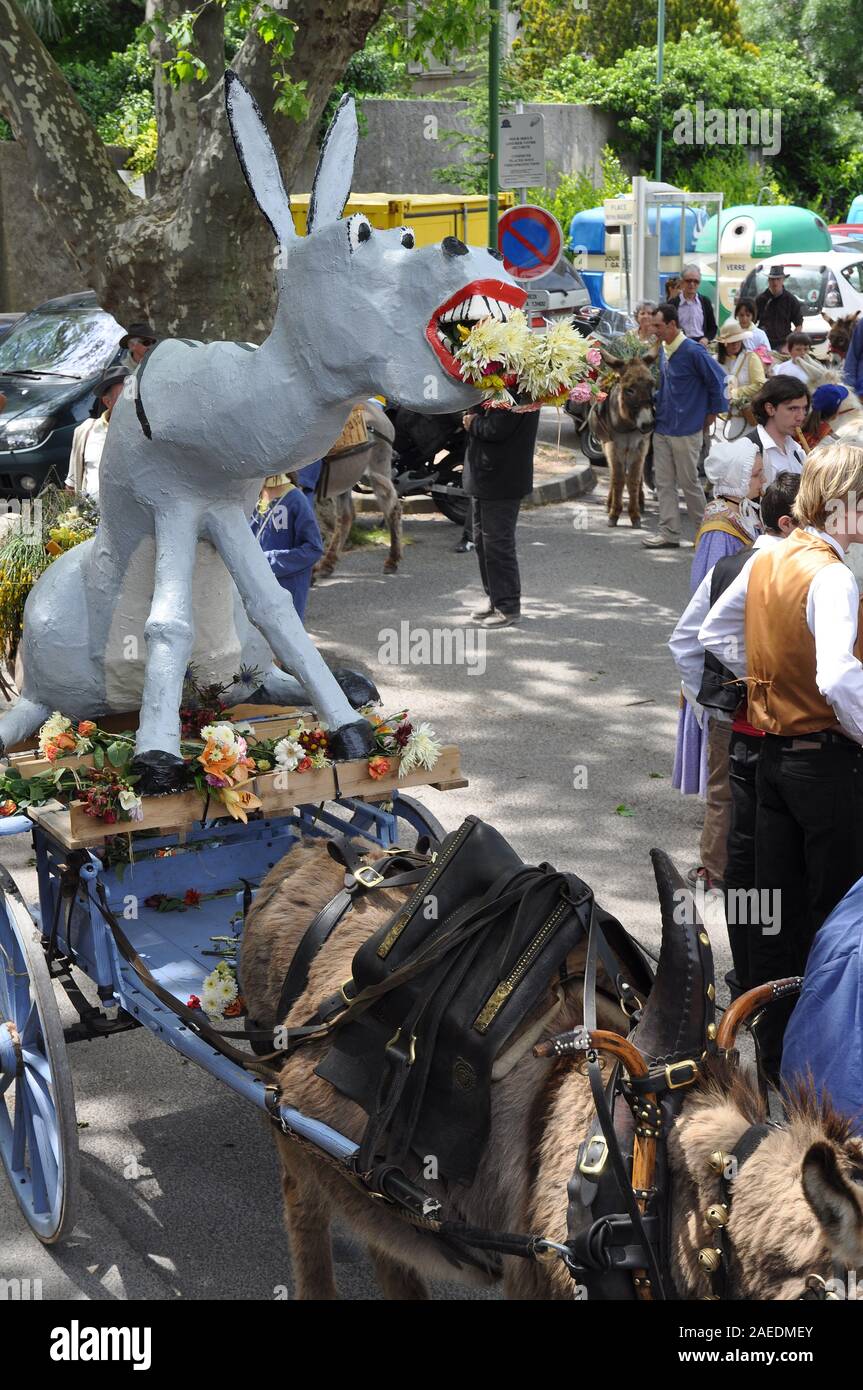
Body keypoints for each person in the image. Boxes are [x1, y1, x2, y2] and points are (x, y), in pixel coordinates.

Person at [699, 443, 863, 1081]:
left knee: (776, 916)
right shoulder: (832, 572)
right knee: (832, 918)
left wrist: (765, 682)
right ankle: (823, 1070)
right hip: (822, 763)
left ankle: (772, 1058)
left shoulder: (770, 555)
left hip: (770, 763)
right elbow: (840, 676)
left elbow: (714, 634)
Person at [670, 472, 800, 993]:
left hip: (742, 716)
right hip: (760, 721)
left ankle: (750, 959)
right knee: (740, 815)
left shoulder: (742, 564)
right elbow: (692, 638)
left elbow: (685, 640)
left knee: (742, 818)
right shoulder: (759, 567)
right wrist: (727, 696)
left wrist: (710, 702)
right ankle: (717, 878)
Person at [668, 438, 764, 889]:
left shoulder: (743, 513)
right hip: (720, 665)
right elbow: (707, 599)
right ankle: (715, 868)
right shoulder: (720, 528)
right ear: (737, 480)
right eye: (756, 475)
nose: (760, 482)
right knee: (723, 783)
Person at [642, 302, 727, 549]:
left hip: (687, 429)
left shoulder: (693, 351)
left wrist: (711, 415)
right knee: (664, 483)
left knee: (690, 484)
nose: (654, 329)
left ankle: (706, 535)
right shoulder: (664, 350)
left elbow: (719, 381)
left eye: (658, 325)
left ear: (672, 324)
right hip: (664, 427)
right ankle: (669, 533)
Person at [462, 404, 539, 627]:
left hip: (502, 478)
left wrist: (472, 422)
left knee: (497, 544)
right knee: (482, 542)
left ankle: (508, 606)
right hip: (485, 476)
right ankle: (495, 598)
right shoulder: (500, 383)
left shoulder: (518, 388)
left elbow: (497, 428)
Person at [249, 472, 323, 623]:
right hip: (255, 589)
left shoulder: (296, 499)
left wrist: (269, 561)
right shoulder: (252, 498)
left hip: (286, 591)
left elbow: (313, 548)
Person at [65, 366, 129, 498]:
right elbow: (71, 486)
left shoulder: (149, 433)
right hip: (93, 516)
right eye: (123, 396)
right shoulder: (86, 431)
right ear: (107, 402)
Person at [744, 376, 809, 480]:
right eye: (792, 409)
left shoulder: (796, 448)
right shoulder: (748, 452)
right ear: (770, 409)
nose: (801, 417)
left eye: (804, 408)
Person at [715, 318, 766, 438]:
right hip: (720, 419)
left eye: (738, 341)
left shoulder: (750, 357)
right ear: (724, 343)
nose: (736, 344)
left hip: (746, 417)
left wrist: (735, 393)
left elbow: (760, 384)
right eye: (732, 341)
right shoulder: (715, 360)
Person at [755, 266, 803, 351]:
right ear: (768, 281)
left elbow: (799, 325)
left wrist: (789, 345)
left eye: (778, 279)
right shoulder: (760, 300)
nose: (775, 282)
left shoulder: (791, 300)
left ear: (783, 280)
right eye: (772, 279)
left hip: (783, 344)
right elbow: (751, 323)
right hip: (763, 344)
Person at [673, 264, 718, 344]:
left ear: (699, 283)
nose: (692, 284)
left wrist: (706, 339)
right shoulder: (673, 304)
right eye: (689, 281)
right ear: (682, 282)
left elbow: (713, 328)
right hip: (679, 345)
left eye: (696, 281)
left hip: (700, 345)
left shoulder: (705, 302)